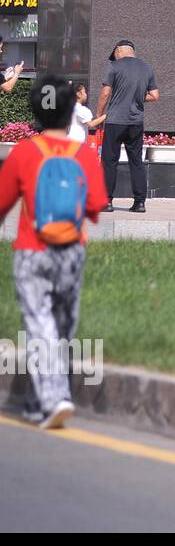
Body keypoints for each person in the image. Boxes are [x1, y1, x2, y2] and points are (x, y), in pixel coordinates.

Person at [0, 75, 108, 429]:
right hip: (72, 250)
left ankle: (53, 398)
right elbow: (94, 207)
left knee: (39, 323)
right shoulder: (85, 155)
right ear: (69, 111)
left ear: (35, 112)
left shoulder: (25, 151)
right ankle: (36, 402)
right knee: (61, 326)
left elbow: (2, 203)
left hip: (33, 249)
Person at [97, 40, 158, 213]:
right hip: (136, 123)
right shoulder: (147, 68)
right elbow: (154, 95)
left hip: (115, 121)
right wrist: (137, 97)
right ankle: (139, 203)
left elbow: (105, 92)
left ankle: (106, 202)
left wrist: (99, 114)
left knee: (109, 161)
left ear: (118, 50)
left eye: (114, 54)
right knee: (136, 161)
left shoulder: (114, 67)